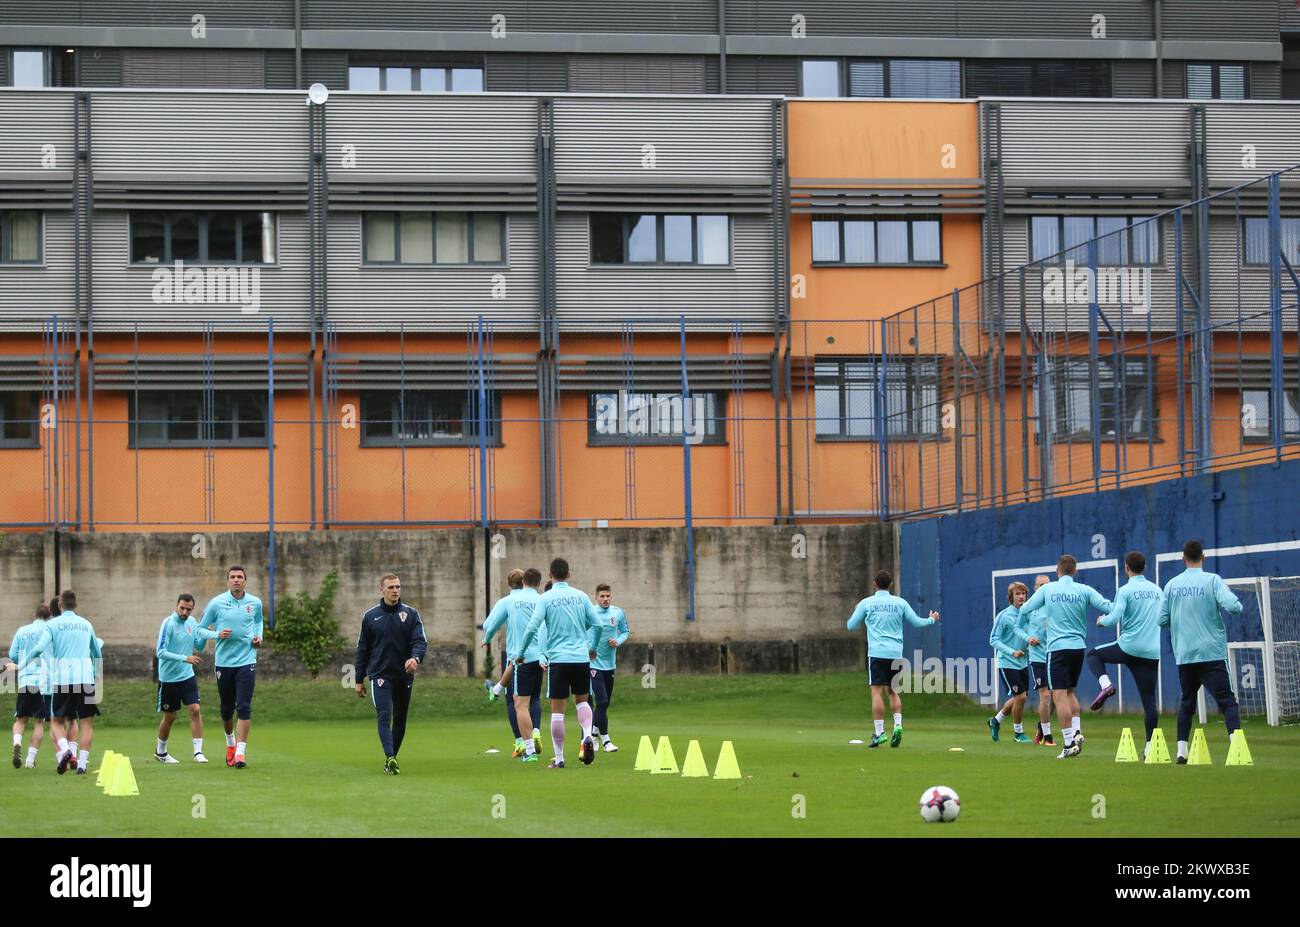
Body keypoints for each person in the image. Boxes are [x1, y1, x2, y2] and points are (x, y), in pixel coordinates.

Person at [1158, 539, 1245, 765]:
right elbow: (1234, 607)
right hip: (1211, 653)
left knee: (1187, 702)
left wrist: (1180, 620)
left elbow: (1161, 620)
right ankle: (1237, 748)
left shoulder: (1171, 585)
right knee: (1227, 702)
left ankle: (1181, 752)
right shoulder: (1212, 580)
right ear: (1203, 558)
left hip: (1185, 654)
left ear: (1183, 559)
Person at [1017, 555, 1112, 759]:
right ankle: (1077, 731)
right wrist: (1106, 619)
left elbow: (1025, 608)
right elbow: (1108, 606)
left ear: (1057, 571)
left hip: (1057, 649)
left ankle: (1069, 744)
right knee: (1070, 692)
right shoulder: (1084, 590)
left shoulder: (1047, 590)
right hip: (1078, 648)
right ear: (1075, 571)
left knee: (1058, 696)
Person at [511, 558, 603, 768]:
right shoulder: (581, 596)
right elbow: (597, 625)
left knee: (557, 711)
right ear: (568, 574)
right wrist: (593, 648)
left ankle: (560, 758)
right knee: (582, 701)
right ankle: (587, 735)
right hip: (580, 658)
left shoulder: (546, 598)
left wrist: (521, 652)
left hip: (559, 660)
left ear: (550, 575)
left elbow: (533, 627)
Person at [846, 569, 940, 748]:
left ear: (874, 583)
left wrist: (858, 609)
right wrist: (932, 619)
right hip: (896, 653)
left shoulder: (867, 603)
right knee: (893, 691)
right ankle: (898, 725)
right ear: (891, 585)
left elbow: (851, 625)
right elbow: (917, 622)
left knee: (876, 692)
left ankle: (880, 732)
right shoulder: (900, 603)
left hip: (877, 653)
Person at [14, 590, 102, 775]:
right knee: (86, 723)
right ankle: (82, 765)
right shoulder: (87, 624)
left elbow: (38, 649)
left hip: (62, 679)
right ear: (76, 605)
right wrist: (96, 675)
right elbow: (97, 653)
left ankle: (65, 750)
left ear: (60, 605)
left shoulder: (52, 625)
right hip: (85, 679)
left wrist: (20, 665)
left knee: (56, 721)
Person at [1086, 551, 1164, 756]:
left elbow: (1114, 618)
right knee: (1149, 702)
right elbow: (1165, 617)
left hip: (1128, 648)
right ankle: (1150, 747)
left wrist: (1101, 620)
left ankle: (1105, 684)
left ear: (1126, 568)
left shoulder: (1125, 590)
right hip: (1151, 652)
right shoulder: (1157, 590)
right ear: (1145, 567)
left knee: (1093, 654)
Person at [355, 573, 426, 774]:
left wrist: (415, 658)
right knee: (384, 715)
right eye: (391, 587)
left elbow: (420, 641)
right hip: (380, 675)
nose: (395, 590)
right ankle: (391, 757)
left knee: (401, 718)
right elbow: (363, 649)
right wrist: (359, 679)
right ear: (382, 590)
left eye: (398, 587)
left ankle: (391, 759)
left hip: (404, 676)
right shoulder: (370, 616)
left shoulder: (411, 614)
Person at [196, 566, 263, 768]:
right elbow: (199, 630)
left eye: (240, 577)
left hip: (247, 661)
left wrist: (259, 637)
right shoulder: (216, 603)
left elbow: (259, 622)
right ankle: (230, 743)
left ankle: (241, 753)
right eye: (232, 577)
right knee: (227, 709)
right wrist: (217, 634)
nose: (236, 580)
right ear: (227, 581)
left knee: (244, 706)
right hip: (224, 664)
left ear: (245, 581)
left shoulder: (255, 603)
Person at [481, 568, 544, 762]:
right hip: (541, 657)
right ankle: (534, 731)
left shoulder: (508, 601)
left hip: (520, 657)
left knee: (516, 702)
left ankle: (524, 744)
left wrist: (487, 637)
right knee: (534, 699)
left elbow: (489, 624)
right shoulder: (541, 599)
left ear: (510, 584)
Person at [154, 594, 207, 763]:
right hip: (169, 679)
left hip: (187, 676)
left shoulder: (192, 623)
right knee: (170, 717)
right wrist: (185, 658)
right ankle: (161, 752)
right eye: (182, 608)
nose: (184, 612)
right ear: (177, 606)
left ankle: (198, 752)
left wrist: (205, 633)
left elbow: (198, 645)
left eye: (188, 609)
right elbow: (160, 652)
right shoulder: (168, 624)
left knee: (195, 709)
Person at [988, 582, 1040, 743]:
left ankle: (995, 721)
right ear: (1011, 597)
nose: (1021, 596)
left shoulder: (1029, 614)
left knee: (1020, 697)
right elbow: (993, 640)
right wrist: (1012, 652)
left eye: (1024, 593)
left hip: (1023, 663)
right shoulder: (1004, 616)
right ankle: (1018, 733)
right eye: (1018, 594)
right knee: (1021, 697)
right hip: (1007, 662)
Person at [8, 604, 52, 769]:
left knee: (21, 719)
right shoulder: (48, 630)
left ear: (35, 615)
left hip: (25, 679)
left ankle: (17, 742)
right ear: (49, 616)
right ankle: (29, 760)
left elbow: (13, 654)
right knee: (39, 722)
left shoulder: (22, 631)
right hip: (42, 681)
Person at [588, 582, 629, 753]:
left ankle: (594, 732)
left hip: (609, 665)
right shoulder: (590, 612)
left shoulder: (618, 613)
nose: (605, 599)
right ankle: (606, 740)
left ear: (611, 597)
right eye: (602, 596)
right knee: (602, 700)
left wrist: (618, 641)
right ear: (596, 598)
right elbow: (581, 631)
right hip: (593, 664)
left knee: (605, 704)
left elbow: (625, 631)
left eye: (607, 596)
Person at [1020, 575, 1055, 746]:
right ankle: (1048, 737)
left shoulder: (1054, 606)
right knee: (1045, 695)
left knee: (1057, 697)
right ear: (1035, 588)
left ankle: (1042, 726)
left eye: (1047, 585)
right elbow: (1017, 627)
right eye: (1041, 585)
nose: (1044, 588)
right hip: (1037, 656)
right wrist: (1028, 638)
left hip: (1055, 654)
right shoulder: (1029, 608)